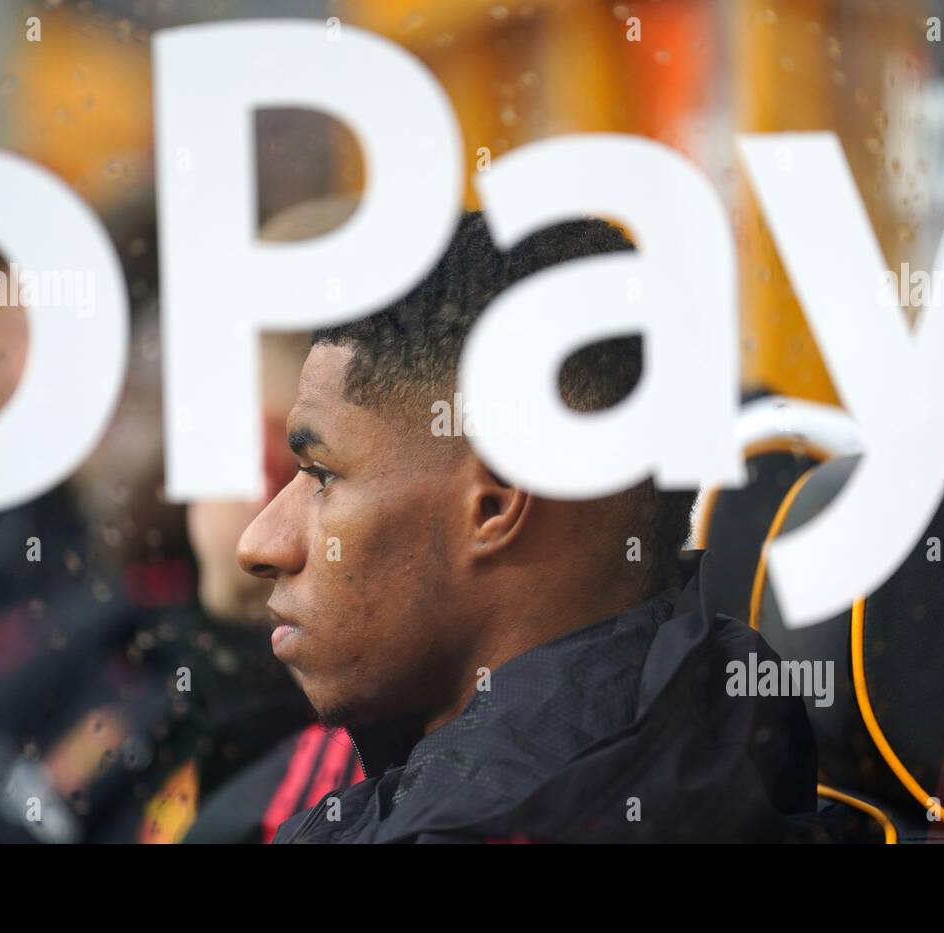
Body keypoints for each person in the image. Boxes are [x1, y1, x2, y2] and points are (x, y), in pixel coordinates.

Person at [238, 211, 823, 843]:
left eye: (321, 474)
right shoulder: (689, 744)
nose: (261, 543)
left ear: (495, 504)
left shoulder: (491, 825)